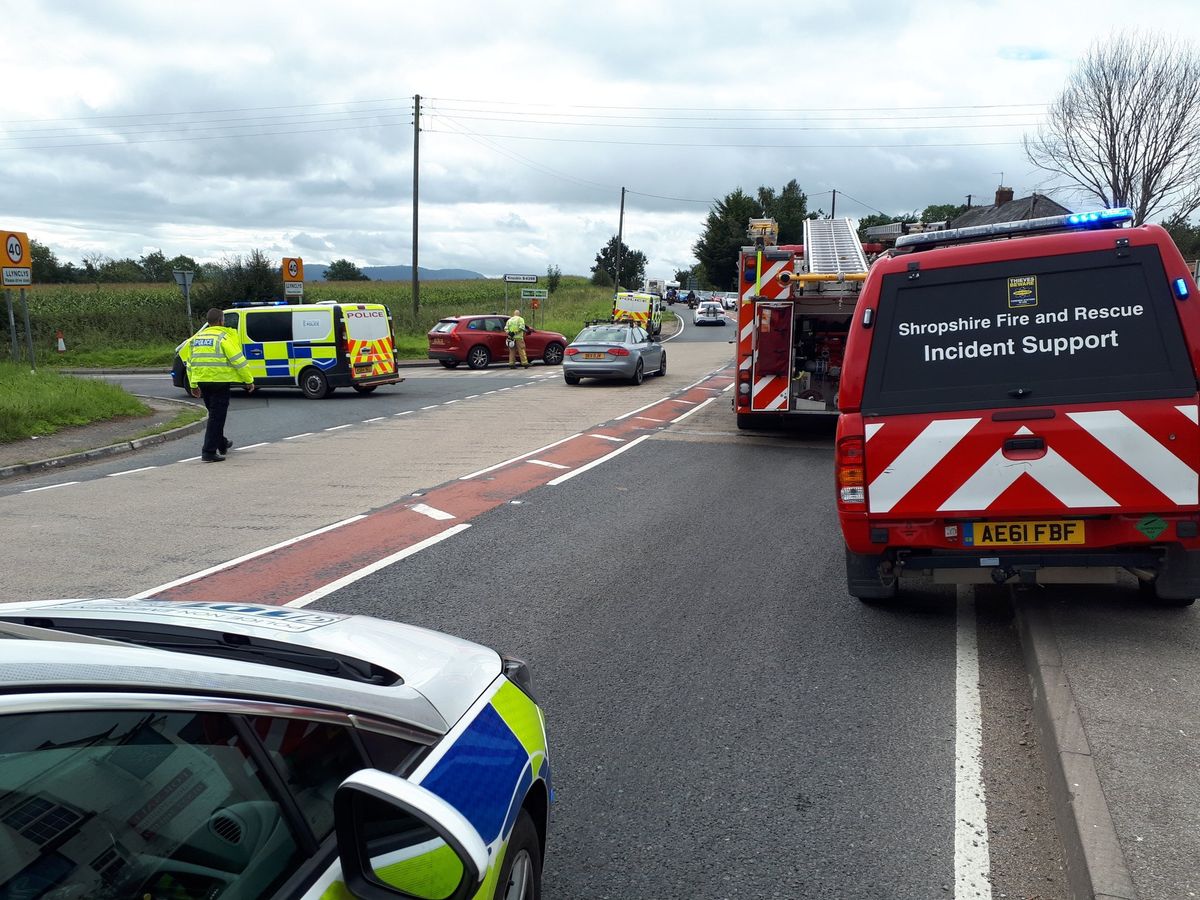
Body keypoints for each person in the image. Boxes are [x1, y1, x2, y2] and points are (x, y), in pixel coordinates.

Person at [179, 307, 256, 462]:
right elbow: (238, 361)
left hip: (203, 383)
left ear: (208, 322)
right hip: (220, 383)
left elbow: (190, 363)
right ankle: (208, 451)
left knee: (215, 416)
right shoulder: (224, 338)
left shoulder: (196, 338)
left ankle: (222, 443)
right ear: (221, 321)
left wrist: (193, 385)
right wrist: (248, 381)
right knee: (216, 418)